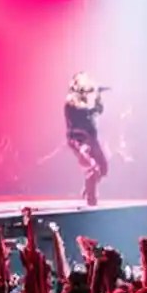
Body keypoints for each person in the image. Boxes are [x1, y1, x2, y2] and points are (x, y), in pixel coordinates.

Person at [65, 73, 108, 206]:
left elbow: (98, 110)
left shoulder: (84, 102)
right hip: (79, 139)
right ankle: (91, 199)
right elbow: (84, 110)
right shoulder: (71, 101)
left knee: (103, 168)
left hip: (91, 138)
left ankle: (90, 184)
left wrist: (98, 97)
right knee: (92, 168)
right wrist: (94, 95)